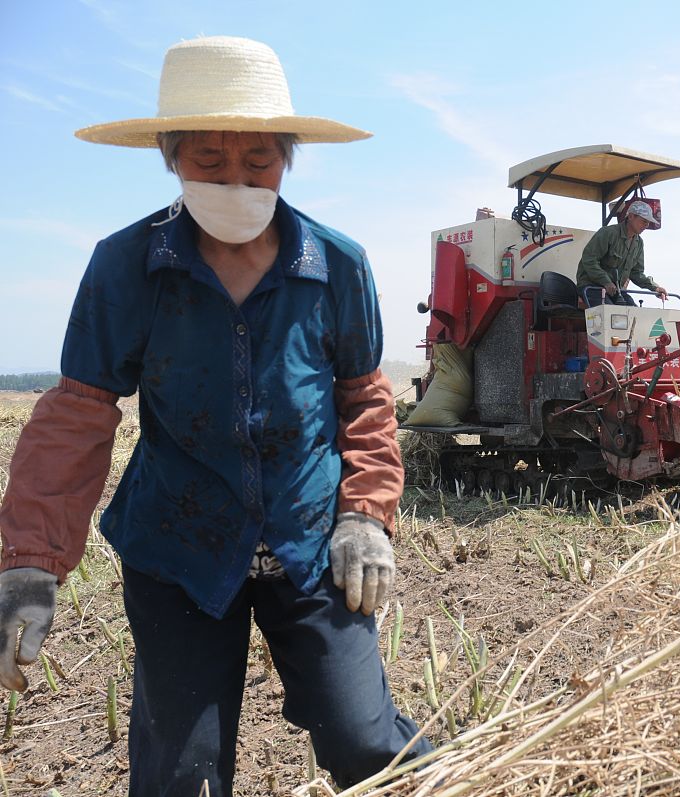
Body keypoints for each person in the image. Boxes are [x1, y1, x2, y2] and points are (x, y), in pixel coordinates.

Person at [0, 36, 431, 795]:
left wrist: (365, 513)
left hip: (308, 542)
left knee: (367, 743)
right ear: (171, 157)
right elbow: (79, 410)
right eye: (209, 162)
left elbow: (363, 397)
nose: (236, 180)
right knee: (180, 777)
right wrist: (30, 560)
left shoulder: (338, 265)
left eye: (259, 161)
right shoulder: (126, 265)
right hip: (178, 548)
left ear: (288, 157)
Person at [576, 199, 669, 307]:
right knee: (611, 313)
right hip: (591, 286)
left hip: (615, 290)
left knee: (634, 313)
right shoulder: (608, 233)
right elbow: (589, 260)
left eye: (648, 222)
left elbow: (636, 273)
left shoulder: (638, 243)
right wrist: (606, 282)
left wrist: (655, 288)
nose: (646, 225)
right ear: (630, 216)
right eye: (644, 221)